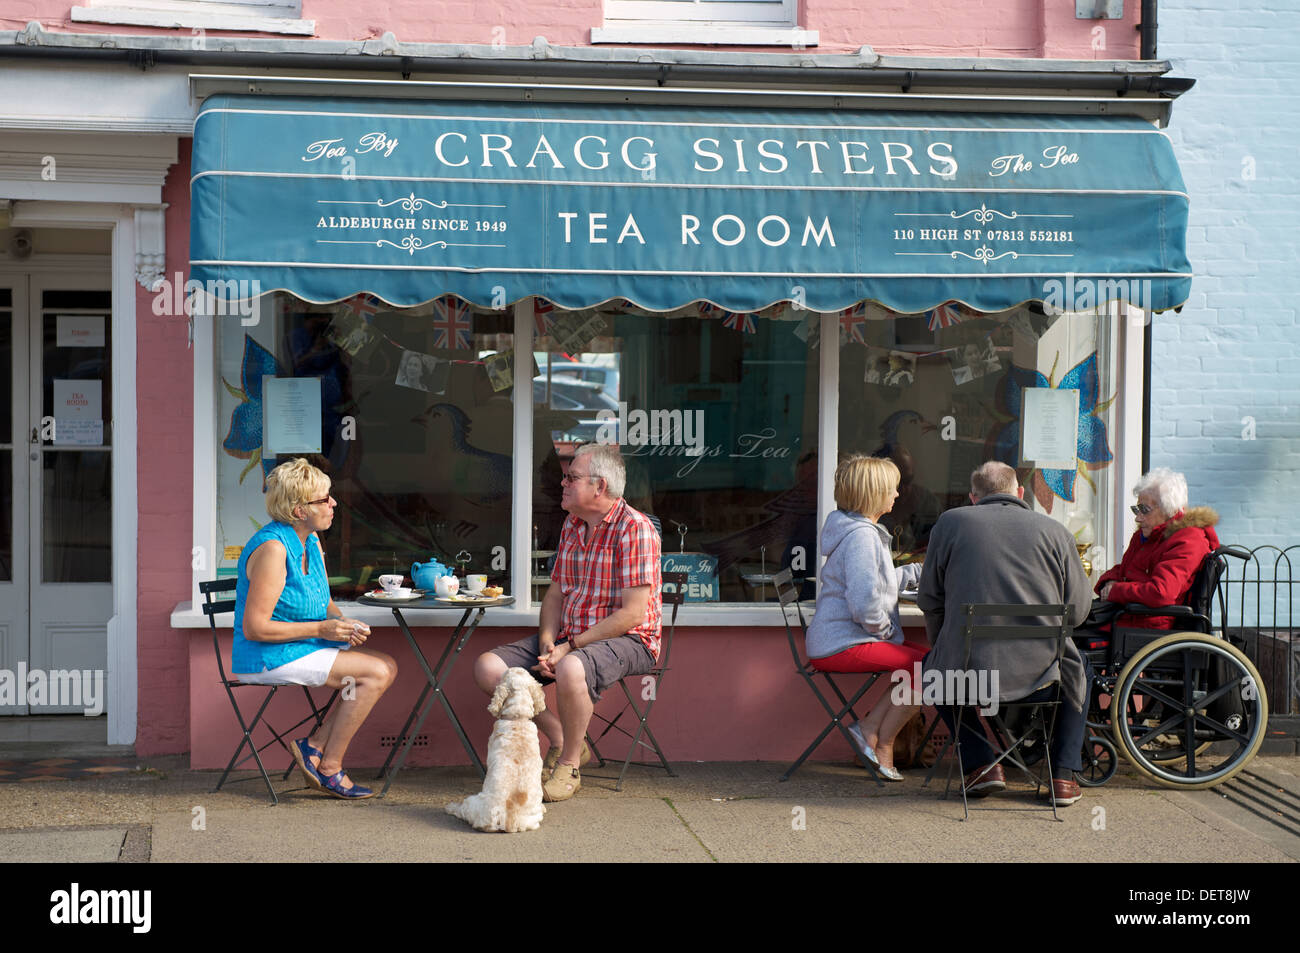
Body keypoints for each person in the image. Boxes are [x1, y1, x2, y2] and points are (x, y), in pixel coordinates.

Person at [473, 443, 662, 802]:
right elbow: (555, 596)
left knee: (572, 668)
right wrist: (548, 640)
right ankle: (561, 738)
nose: (562, 483)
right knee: (489, 668)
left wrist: (568, 647)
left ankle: (569, 765)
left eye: (571, 477)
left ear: (599, 486)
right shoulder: (573, 526)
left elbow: (632, 614)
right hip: (569, 637)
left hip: (631, 640)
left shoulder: (634, 529)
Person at [917, 461, 1091, 805]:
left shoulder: (950, 523)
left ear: (972, 497)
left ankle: (982, 764)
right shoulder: (1055, 531)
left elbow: (929, 599)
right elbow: (1079, 610)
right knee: (1080, 666)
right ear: (1020, 493)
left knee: (932, 670)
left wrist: (943, 645)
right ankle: (1063, 776)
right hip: (1045, 678)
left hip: (968, 677)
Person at [233, 458, 398, 799]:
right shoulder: (273, 550)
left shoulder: (310, 542)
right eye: (324, 499)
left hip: (302, 645)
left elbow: (322, 601)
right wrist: (323, 630)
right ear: (298, 511)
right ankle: (329, 767)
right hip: (267, 655)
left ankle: (315, 746)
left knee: (387, 666)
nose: (333, 503)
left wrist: (342, 622)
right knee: (375, 673)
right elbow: (254, 628)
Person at [805, 456, 924, 781]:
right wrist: (885, 632)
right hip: (842, 643)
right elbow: (864, 603)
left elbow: (875, 582)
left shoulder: (859, 531)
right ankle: (881, 741)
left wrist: (914, 573)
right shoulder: (862, 537)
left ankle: (869, 730)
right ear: (873, 493)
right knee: (932, 669)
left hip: (840, 640)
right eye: (891, 488)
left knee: (929, 664)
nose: (897, 495)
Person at [1093, 468, 1219, 628]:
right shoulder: (1147, 535)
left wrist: (1116, 591)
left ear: (1169, 509)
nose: (1138, 517)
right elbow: (1125, 570)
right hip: (1126, 617)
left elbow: (1161, 592)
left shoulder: (1188, 540)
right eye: (1136, 509)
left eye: (1144, 510)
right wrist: (1109, 582)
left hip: (1147, 627)